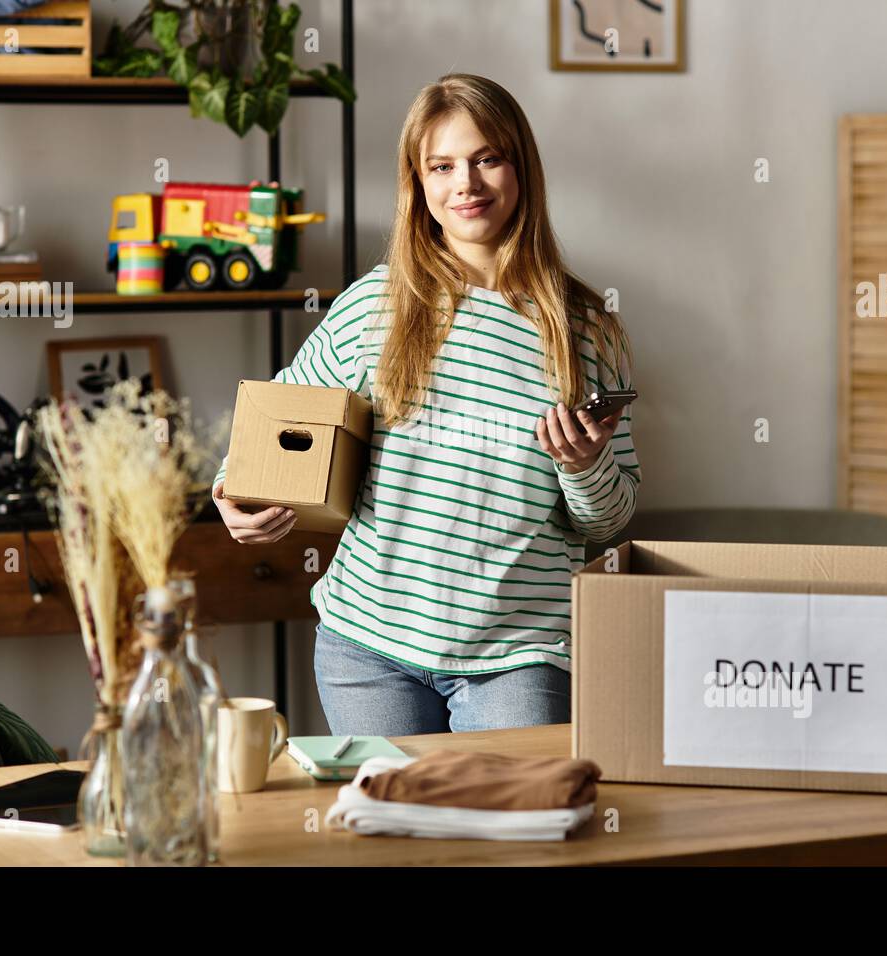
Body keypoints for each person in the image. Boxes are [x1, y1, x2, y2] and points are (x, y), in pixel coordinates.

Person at [212, 72, 641, 736]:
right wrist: (233, 492)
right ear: (419, 182)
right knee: (389, 837)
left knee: (513, 836)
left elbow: (607, 520)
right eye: (441, 165)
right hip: (368, 650)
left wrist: (584, 465)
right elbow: (279, 424)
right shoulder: (375, 304)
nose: (464, 183)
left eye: (486, 159)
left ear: (520, 168)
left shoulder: (584, 328)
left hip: (520, 657)